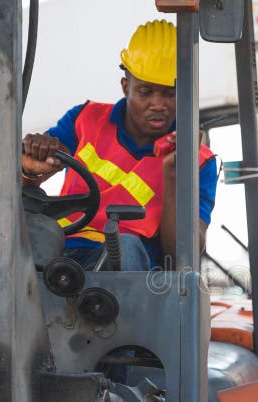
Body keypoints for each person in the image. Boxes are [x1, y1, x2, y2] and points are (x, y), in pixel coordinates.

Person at [21, 20, 218, 270]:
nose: (157, 104)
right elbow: (29, 177)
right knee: (26, 232)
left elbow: (182, 256)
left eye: (170, 93)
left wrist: (174, 175)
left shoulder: (199, 162)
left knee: (126, 248)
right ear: (126, 86)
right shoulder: (84, 119)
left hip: (127, 274)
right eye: (146, 91)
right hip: (58, 254)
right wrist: (30, 168)